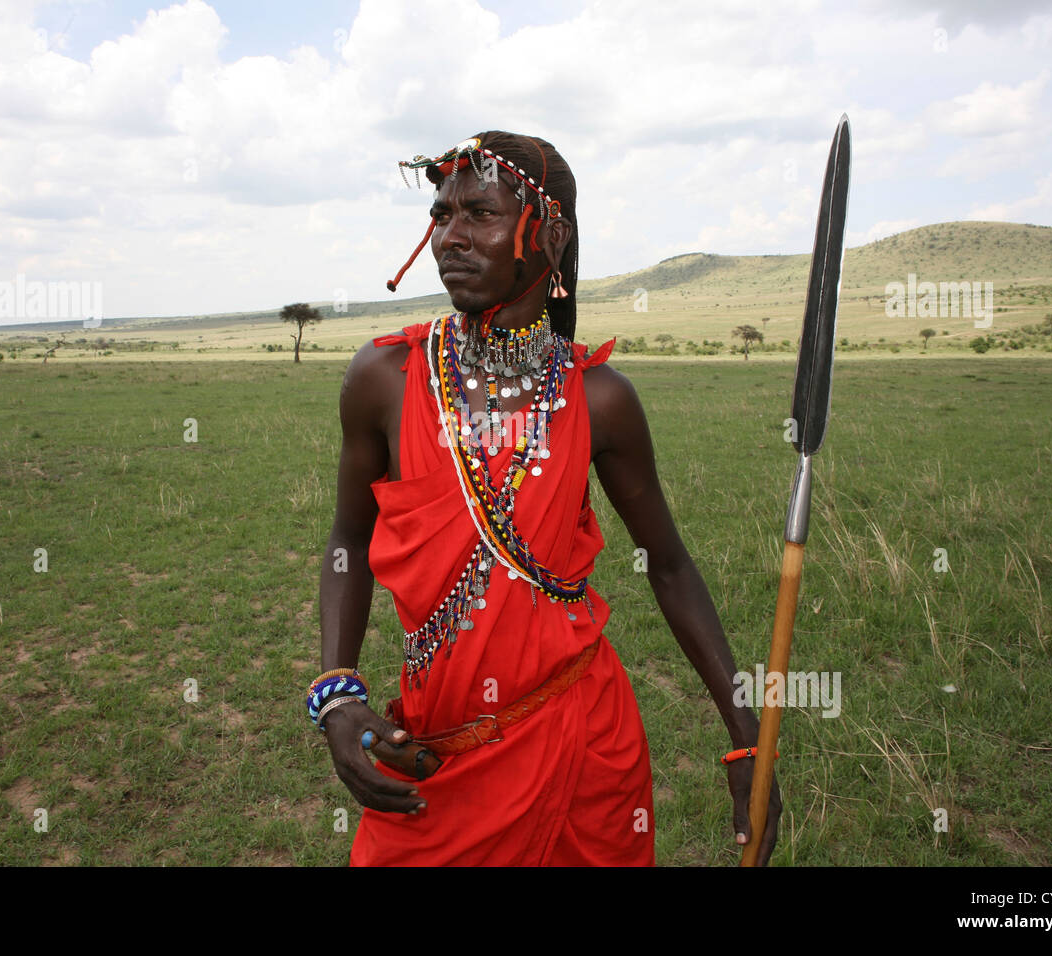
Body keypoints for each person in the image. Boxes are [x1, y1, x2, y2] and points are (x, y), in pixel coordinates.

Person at [310, 130, 781, 865]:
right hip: (434, 752)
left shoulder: (600, 398)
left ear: (550, 234)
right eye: (441, 216)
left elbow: (670, 566)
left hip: (582, 744)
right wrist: (336, 696)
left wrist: (747, 734)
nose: (450, 239)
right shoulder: (384, 377)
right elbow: (347, 540)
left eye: (480, 215)